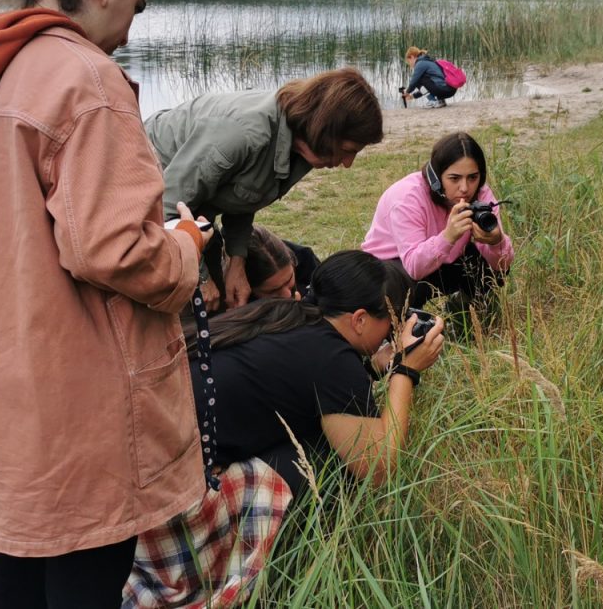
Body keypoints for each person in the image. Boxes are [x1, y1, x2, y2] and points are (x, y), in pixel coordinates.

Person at [0, 0, 205, 606]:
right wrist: (185, 248)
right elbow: (114, 250)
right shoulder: (85, 79)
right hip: (76, 391)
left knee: (19, 563)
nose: (130, 33)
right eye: (135, 6)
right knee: (85, 568)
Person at [124, 251, 445, 607]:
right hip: (163, 515)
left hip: (132, 474)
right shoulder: (333, 362)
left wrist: (372, 367)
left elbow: (301, 384)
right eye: (390, 325)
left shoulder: (286, 317)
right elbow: (378, 467)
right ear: (358, 319)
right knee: (326, 462)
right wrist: (406, 372)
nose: (392, 336)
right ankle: (268, 572)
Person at [146, 68, 382, 311]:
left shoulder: (304, 148)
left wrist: (236, 262)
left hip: (192, 211)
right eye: (348, 150)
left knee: (222, 294)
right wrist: (198, 277)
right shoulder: (241, 136)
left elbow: (243, 195)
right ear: (326, 129)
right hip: (150, 193)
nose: (348, 163)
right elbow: (165, 208)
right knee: (192, 304)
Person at [361, 132, 513, 314]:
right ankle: (405, 324)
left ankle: (464, 313)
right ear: (435, 177)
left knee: (487, 268)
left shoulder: (481, 195)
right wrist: (448, 237)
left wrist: (496, 242)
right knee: (399, 284)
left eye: (473, 177)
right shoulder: (407, 197)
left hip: (440, 262)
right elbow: (414, 267)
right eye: (454, 178)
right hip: (390, 268)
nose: (465, 188)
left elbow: (502, 266)